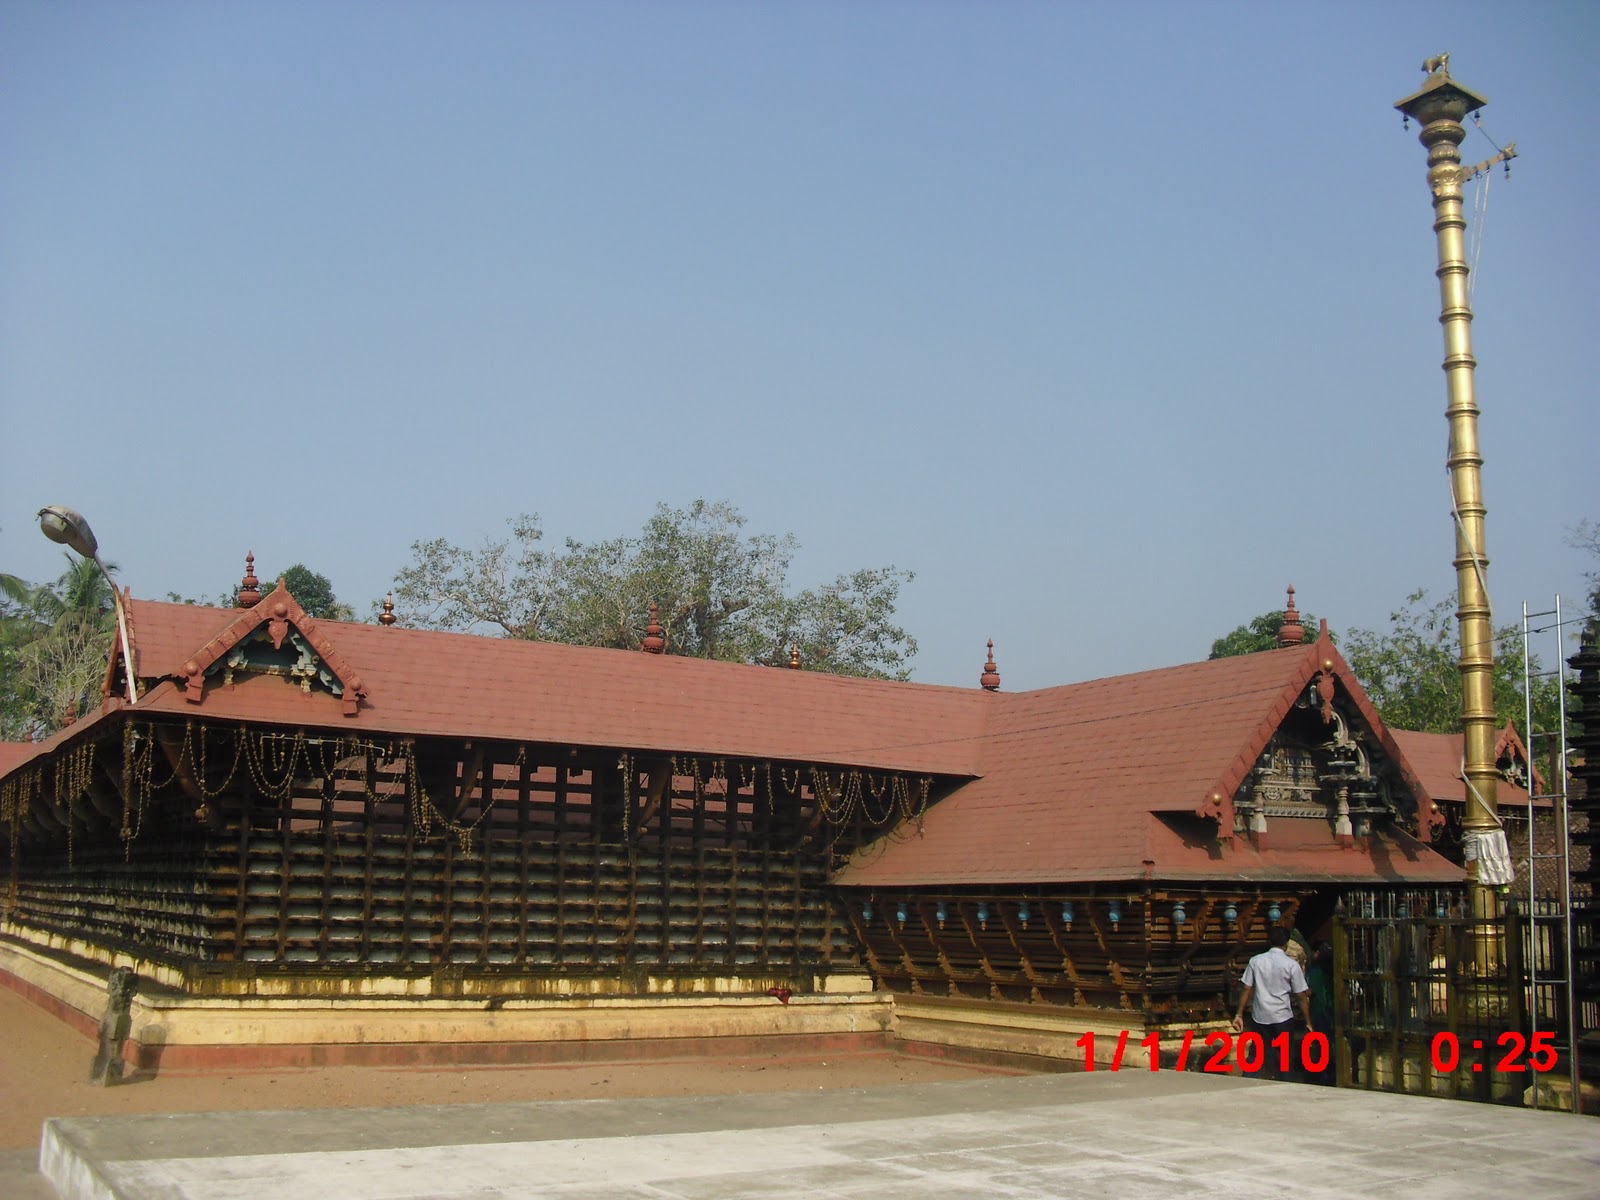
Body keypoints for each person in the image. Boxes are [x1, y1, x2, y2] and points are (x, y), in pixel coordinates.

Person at [1232, 926, 1312, 1081]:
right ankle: (1285, 1084)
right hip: (1282, 1017)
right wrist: (1308, 1022)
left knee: (1256, 1054)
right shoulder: (1291, 965)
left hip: (1260, 1017)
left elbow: (1246, 988)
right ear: (1287, 943)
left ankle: (1246, 1082)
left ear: (1269, 941)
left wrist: (1239, 1014)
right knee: (1284, 1057)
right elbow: (1301, 996)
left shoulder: (1256, 961)